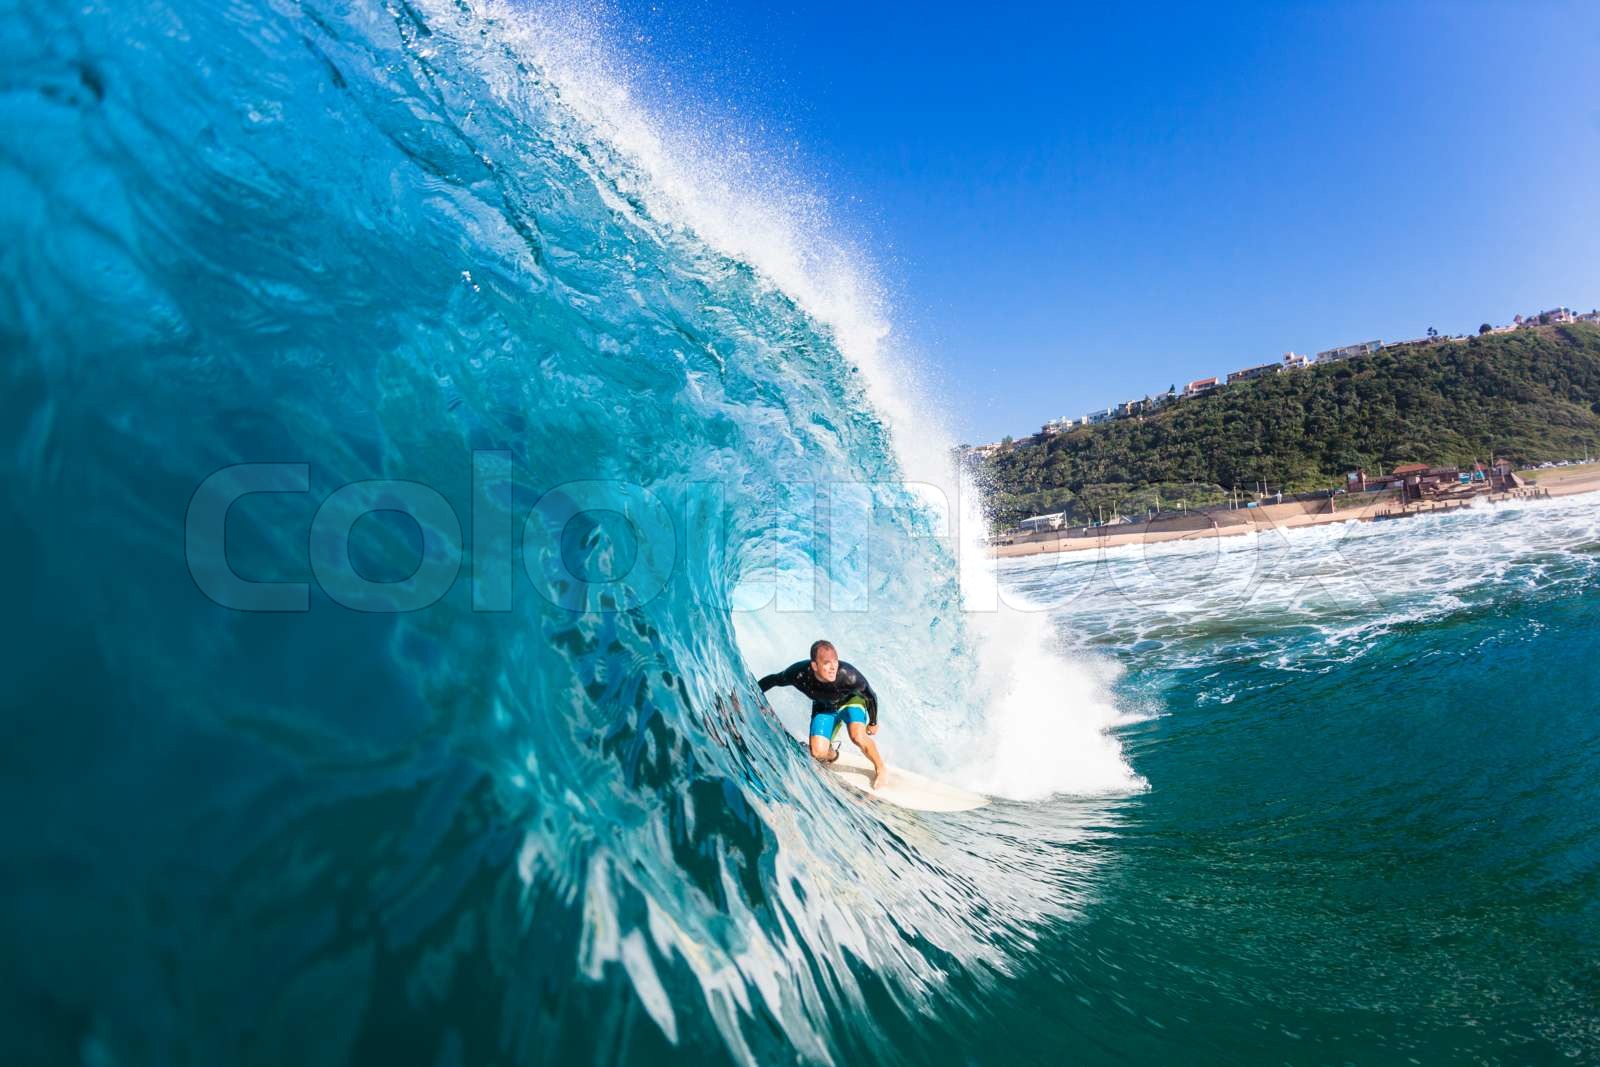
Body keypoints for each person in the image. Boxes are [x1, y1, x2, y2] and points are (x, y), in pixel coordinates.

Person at [758, 640, 888, 789]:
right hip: (824, 706)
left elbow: (870, 696)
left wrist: (873, 722)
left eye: (835, 661)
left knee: (857, 736)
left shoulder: (849, 676)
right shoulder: (799, 674)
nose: (833, 667)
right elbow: (774, 680)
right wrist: (752, 693)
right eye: (827, 663)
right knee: (818, 753)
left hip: (851, 701)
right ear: (814, 666)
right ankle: (833, 754)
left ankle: (880, 768)